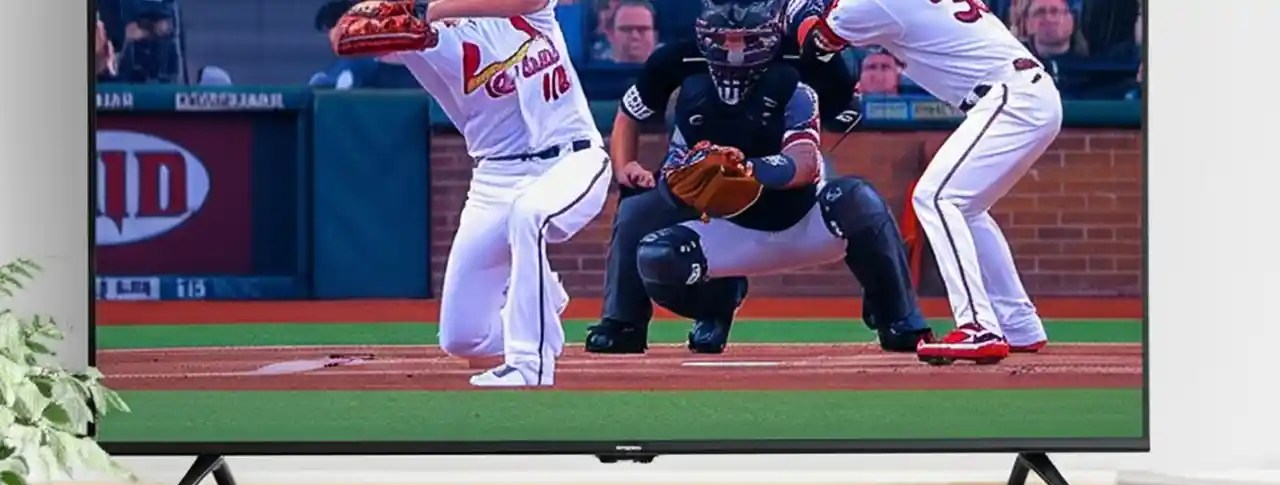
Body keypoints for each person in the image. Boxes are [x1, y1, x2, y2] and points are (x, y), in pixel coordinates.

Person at [587, 0, 925, 355]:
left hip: (796, 212)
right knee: (644, 226)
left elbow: (810, 157)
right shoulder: (689, 87)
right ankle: (686, 308)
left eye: (748, 40)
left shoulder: (795, 83)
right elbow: (640, 127)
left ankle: (897, 316)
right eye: (724, 42)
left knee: (860, 201)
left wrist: (746, 169)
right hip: (721, 219)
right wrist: (633, 169)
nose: (734, 54)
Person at [332, 0, 610, 387]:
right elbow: (351, 38)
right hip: (495, 178)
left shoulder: (525, 12)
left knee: (529, 215)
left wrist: (429, 9)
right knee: (462, 337)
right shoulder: (429, 37)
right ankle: (539, 304)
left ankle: (531, 365)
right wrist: (368, 18)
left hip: (571, 158)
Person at [810, 0, 1060, 364]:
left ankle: (979, 326)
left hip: (1010, 96)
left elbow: (819, 41)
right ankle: (1019, 322)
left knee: (936, 198)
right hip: (1028, 95)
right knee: (967, 208)